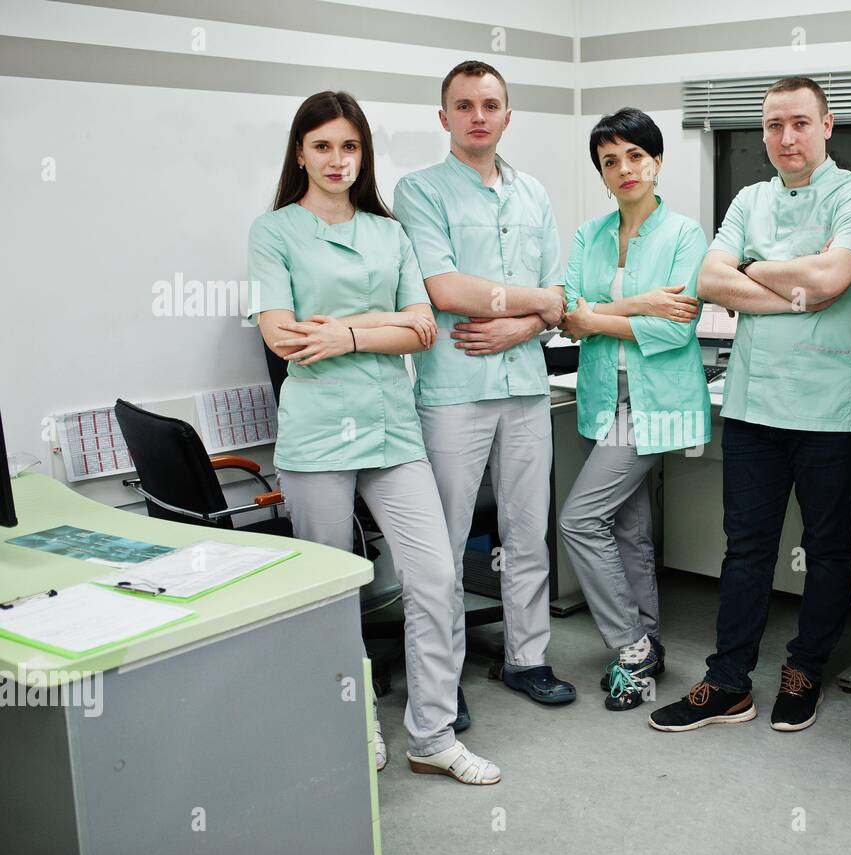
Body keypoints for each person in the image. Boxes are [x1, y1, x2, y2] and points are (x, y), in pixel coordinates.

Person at [248, 90, 499, 784]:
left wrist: (344, 332)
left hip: (392, 429)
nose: (337, 160)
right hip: (318, 435)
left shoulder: (389, 233)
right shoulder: (274, 233)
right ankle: (354, 726)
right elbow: (283, 337)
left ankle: (432, 733)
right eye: (323, 145)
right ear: (300, 151)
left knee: (436, 579)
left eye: (350, 146)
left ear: (364, 154)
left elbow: (420, 326)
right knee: (333, 593)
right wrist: (373, 329)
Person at [649, 76, 851, 734]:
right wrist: (798, 272)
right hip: (754, 404)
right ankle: (728, 681)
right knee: (744, 548)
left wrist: (755, 268)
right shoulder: (749, 198)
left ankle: (805, 667)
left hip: (830, 405)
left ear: (827, 125)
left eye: (800, 123)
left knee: (829, 546)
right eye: (774, 125)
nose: (786, 137)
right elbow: (708, 278)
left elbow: (837, 278)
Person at [393, 61, 576, 718]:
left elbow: (562, 296)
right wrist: (536, 310)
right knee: (441, 546)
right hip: (454, 394)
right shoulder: (419, 191)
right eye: (464, 105)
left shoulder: (534, 194)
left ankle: (527, 656)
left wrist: (516, 325)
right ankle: (442, 684)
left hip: (526, 386)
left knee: (528, 532)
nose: (478, 115)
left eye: (490, 104)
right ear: (444, 118)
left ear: (506, 114)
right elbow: (444, 289)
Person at [557, 108, 710, 711]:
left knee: (579, 519)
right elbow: (567, 312)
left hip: (656, 405)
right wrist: (639, 303)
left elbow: (676, 331)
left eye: (635, 157)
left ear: (658, 161)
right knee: (627, 528)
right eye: (610, 161)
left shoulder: (684, 235)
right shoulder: (589, 236)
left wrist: (597, 316)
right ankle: (649, 644)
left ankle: (629, 648)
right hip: (604, 396)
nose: (624, 170)